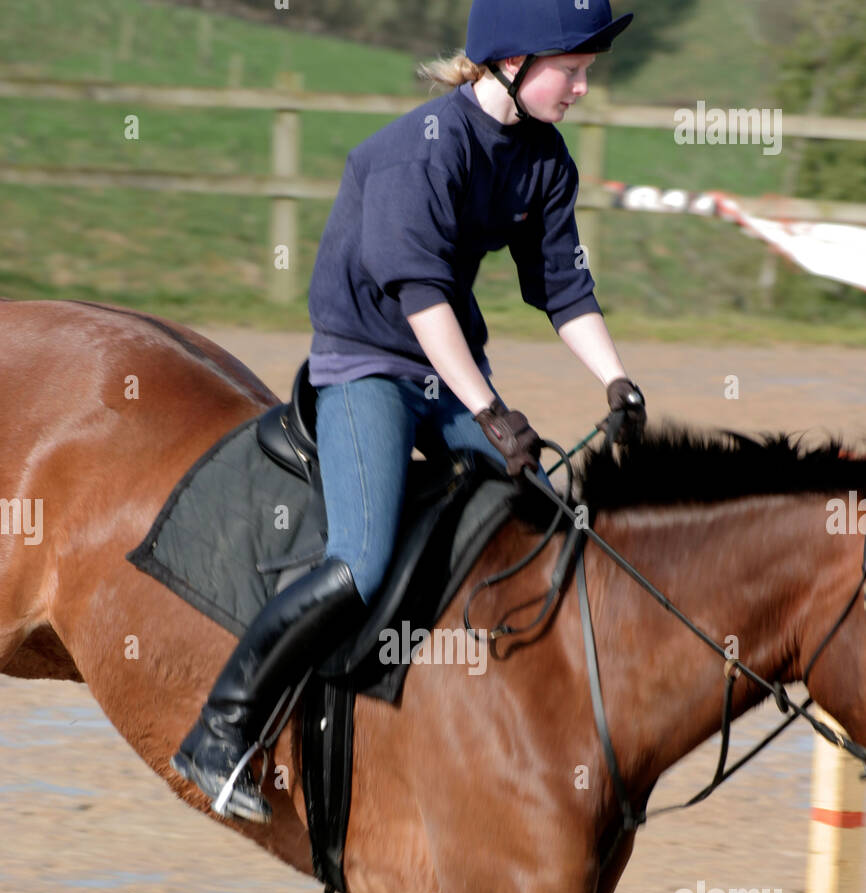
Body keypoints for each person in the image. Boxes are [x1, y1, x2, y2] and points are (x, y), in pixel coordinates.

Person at [171, 0, 647, 825]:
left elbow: (565, 290)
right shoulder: (418, 153)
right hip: (367, 367)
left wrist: (618, 381)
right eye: (570, 69)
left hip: (445, 369)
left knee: (545, 507)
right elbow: (422, 300)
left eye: (584, 73)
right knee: (358, 563)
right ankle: (220, 729)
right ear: (510, 62)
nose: (579, 88)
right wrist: (493, 410)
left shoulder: (545, 161)